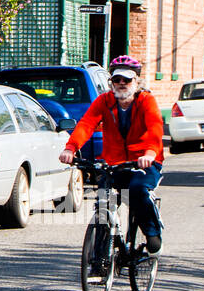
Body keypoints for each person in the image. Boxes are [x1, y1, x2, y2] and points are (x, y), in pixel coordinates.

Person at [58, 55, 165, 253]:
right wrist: (71, 148)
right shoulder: (104, 101)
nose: (122, 83)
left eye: (127, 79)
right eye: (117, 80)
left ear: (137, 81)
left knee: (137, 190)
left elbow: (155, 128)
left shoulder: (146, 101)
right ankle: (100, 257)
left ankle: (152, 231)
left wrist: (149, 153)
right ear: (111, 82)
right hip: (113, 162)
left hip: (144, 162)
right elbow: (87, 124)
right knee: (103, 200)